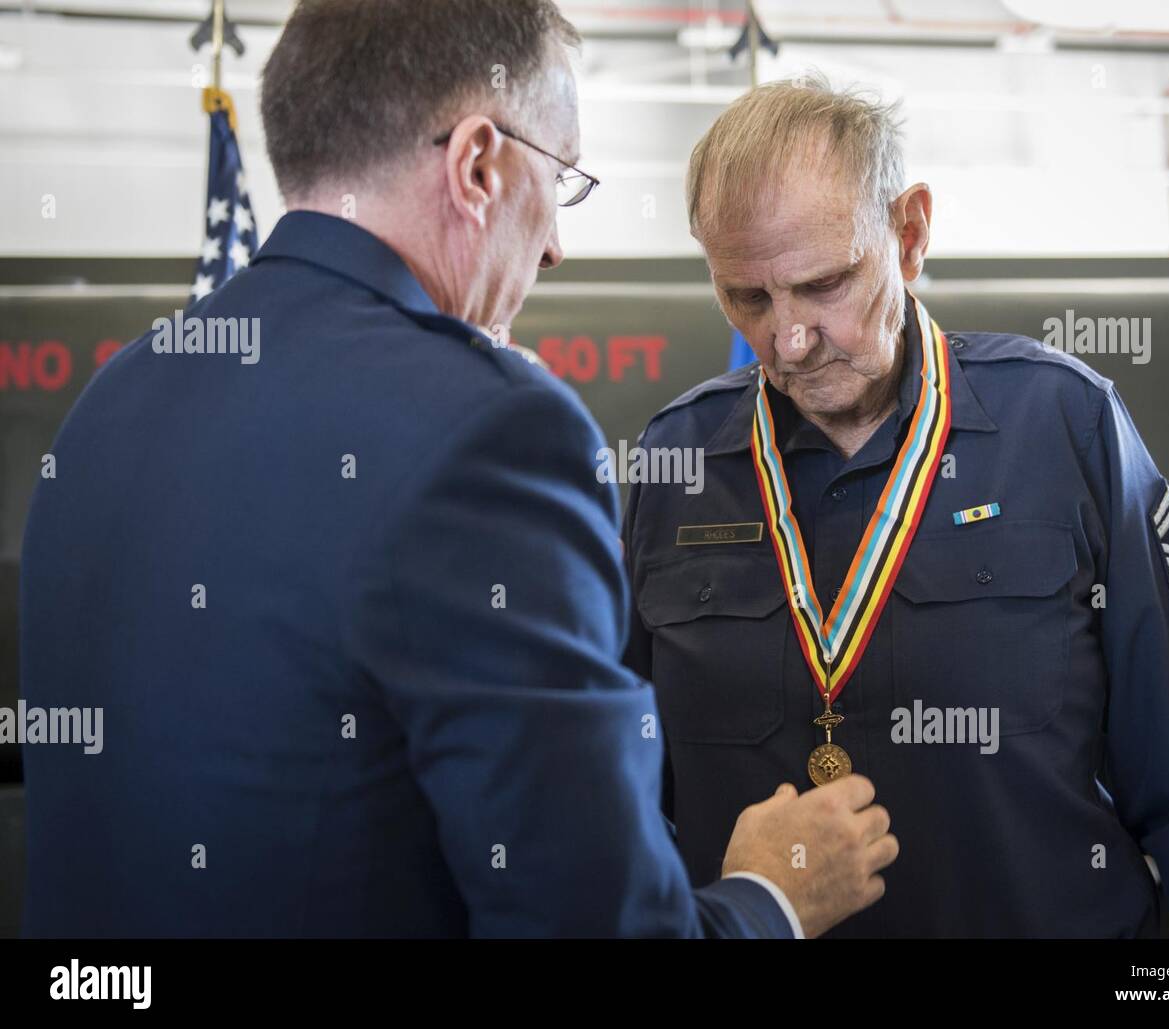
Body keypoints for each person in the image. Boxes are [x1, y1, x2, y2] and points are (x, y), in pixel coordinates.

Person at [19, 0, 898, 938]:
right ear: (479, 165)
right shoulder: (493, 433)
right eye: (559, 179)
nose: (554, 246)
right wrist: (769, 897)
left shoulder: (110, 405)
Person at [621, 76, 1169, 938]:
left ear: (909, 235)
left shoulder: (1065, 426)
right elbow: (616, 792)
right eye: (747, 297)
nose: (787, 338)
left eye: (824, 283)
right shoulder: (677, 465)